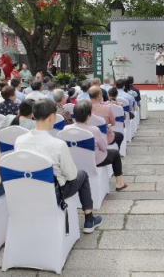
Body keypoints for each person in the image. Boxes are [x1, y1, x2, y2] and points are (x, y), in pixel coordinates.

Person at [14, 99, 103, 233]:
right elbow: (72, 176)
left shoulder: (19, 141)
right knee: (82, 175)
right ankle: (89, 218)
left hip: (26, 190)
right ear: (52, 117)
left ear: (33, 115)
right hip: (53, 193)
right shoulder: (57, 144)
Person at [64, 101, 128, 191]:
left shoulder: (66, 129)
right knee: (115, 154)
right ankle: (119, 183)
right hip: (94, 161)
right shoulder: (94, 130)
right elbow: (104, 147)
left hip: (73, 160)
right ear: (89, 115)